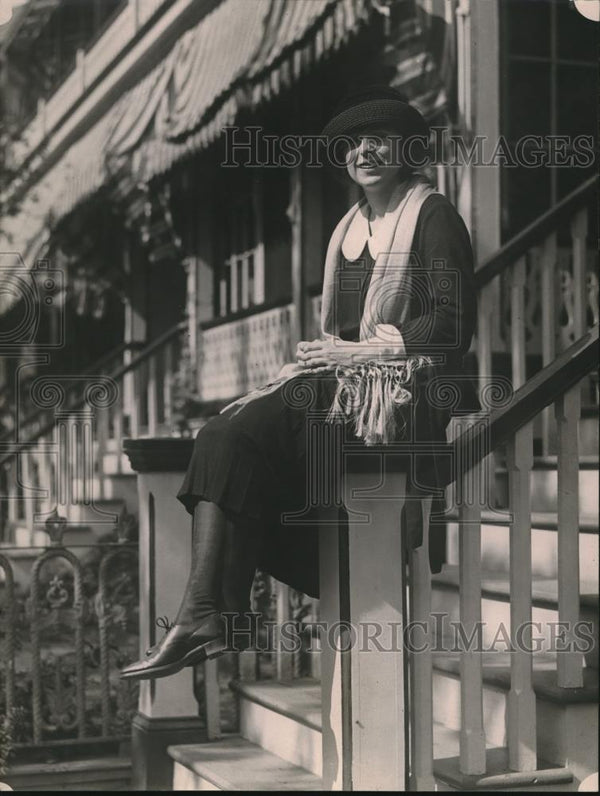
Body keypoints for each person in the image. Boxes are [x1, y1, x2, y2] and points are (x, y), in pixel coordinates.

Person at [120, 86, 478, 681]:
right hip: (343, 391)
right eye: (352, 144)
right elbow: (337, 332)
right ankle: (207, 615)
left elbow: (451, 321)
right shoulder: (348, 230)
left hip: (399, 401)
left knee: (247, 446)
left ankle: (212, 613)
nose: (363, 151)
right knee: (222, 436)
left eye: (378, 140)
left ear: (407, 149)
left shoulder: (433, 215)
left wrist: (363, 348)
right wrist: (322, 355)